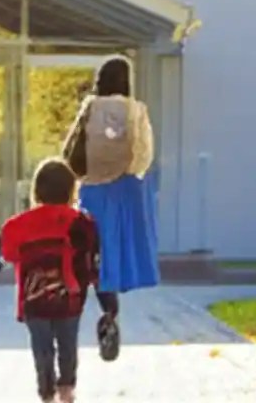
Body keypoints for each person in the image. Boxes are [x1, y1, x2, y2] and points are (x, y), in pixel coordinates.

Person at [61, 55, 157, 361]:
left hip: (93, 189)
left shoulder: (91, 107)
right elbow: (144, 154)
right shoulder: (136, 110)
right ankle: (110, 315)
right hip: (125, 190)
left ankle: (73, 312)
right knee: (112, 257)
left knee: (88, 250)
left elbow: (70, 152)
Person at [1, 158, 109, 403]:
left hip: (34, 298)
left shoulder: (16, 225)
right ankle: (67, 390)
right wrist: (108, 301)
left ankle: (46, 394)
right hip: (69, 298)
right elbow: (91, 261)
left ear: (37, 190)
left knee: (42, 350)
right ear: (71, 190)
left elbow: (9, 253)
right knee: (68, 345)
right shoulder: (82, 223)